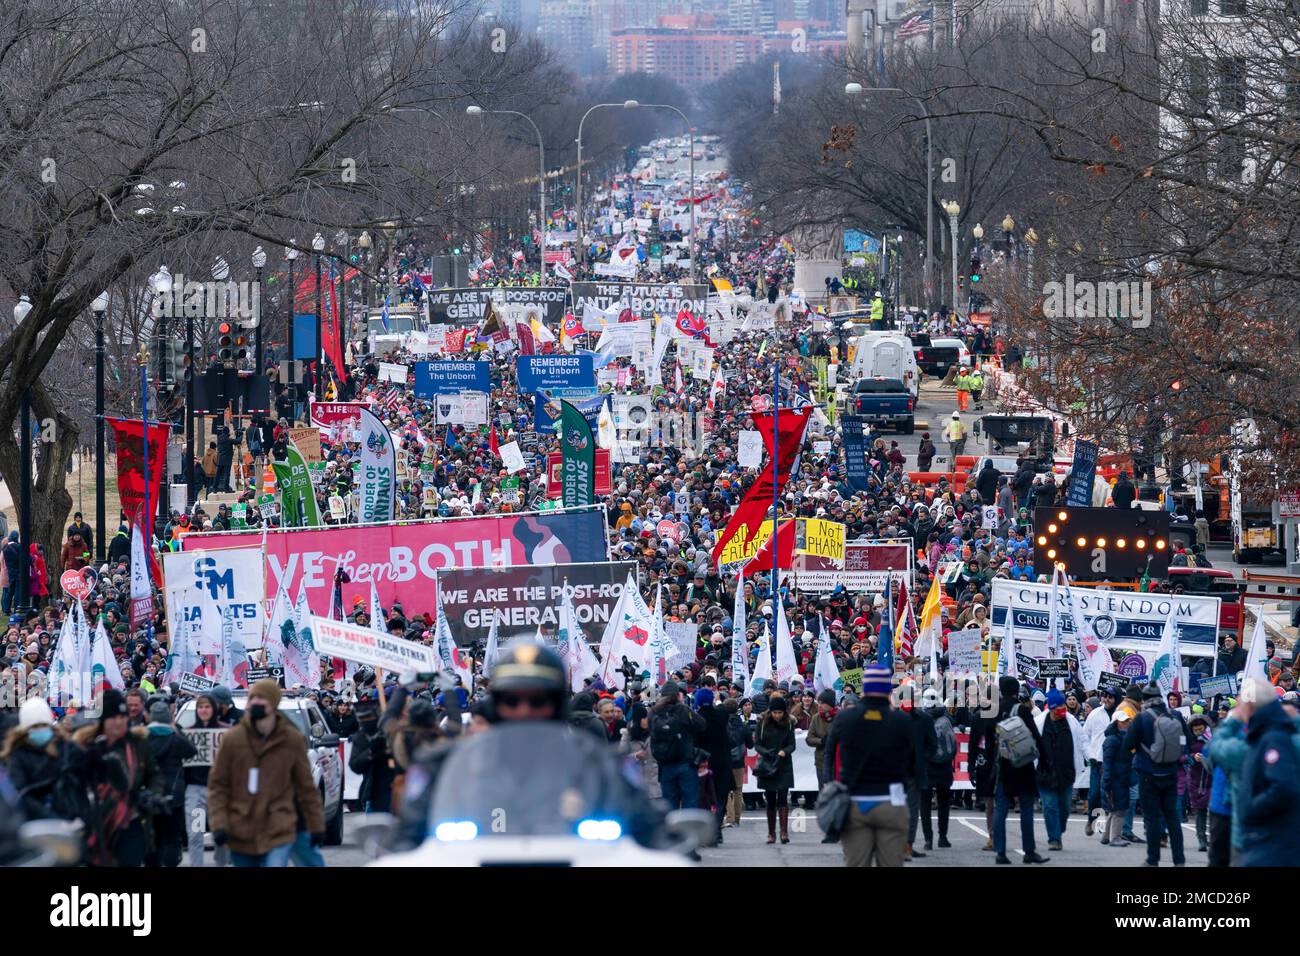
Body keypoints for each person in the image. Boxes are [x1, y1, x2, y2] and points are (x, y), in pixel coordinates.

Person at [207, 679, 325, 867]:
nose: (255, 702)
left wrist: (316, 824)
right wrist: (219, 823)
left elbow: (306, 787)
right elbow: (218, 785)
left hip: (279, 826)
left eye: (261, 698)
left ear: (272, 704)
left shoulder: (291, 739)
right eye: (252, 697)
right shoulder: (232, 739)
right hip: (241, 828)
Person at [823, 665, 914, 867]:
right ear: (888, 691)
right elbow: (914, 762)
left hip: (854, 801)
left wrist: (829, 784)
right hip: (891, 800)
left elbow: (828, 753)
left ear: (863, 689)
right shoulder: (901, 721)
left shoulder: (845, 719)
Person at [74, 689, 166, 867]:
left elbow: (154, 774)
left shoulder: (138, 743)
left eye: (123, 717)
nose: (119, 722)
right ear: (102, 721)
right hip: (95, 821)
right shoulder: (86, 748)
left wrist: (153, 795)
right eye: (113, 718)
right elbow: (74, 783)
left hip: (130, 818)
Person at [1123, 682, 1189, 867]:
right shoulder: (1175, 715)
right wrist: (1176, 755)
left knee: (1151, 819)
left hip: (1148, 774)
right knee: (1173, 819)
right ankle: (1179, 860)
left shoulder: (1141, 718)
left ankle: (1153, 860)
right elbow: (1186, 741)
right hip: (1171, 773)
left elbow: (1128, 745)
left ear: (1144, 699)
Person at [990, 675, 1050, 864]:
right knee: (1026, 808)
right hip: (1023, 764)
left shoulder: (993, 711)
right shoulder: (1023, 710)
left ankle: (1000, 852)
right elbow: (1035, 736)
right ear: (1017, 691)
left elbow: (989, 739)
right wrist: (1045, 760)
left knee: (1000, 809)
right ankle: (1029, 851)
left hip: (1003, 765)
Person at [1236, 690, 1300, 866]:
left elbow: (1283, 786)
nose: (1237, 711)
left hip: (1271, 840)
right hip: (1266, 838)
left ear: (1250, 707)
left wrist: (1252, 807)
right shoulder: (1263, 734)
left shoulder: (1273, 738)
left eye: (1240, 704)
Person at [1, 697, 87, 823]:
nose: (40, 729)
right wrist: (52, 818)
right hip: (38, 823)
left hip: (73, 817)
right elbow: (22, 794)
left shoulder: (66, 748)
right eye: (35, 726)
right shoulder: (18, 755)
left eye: (43, 725)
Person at [143, 700, 197, 867]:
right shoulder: (175, 738)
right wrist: (176, 730)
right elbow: (192, 751)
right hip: (175, 793)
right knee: (172, 837)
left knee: (153, 835)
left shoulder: (143, 738)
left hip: (150, 793)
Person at [1033, 688, 1086, 851]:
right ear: (1051, 708)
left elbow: (1083, 741)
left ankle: (1059, 829)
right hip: (1045, 773)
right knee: (1050, 807)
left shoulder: (1072, 721)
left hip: (1066, 773)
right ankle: (1054, 838)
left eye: (1064, 707)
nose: (1063, 710)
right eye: (1059, 708)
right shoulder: (1039, 722)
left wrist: (1091, 756)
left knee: (1064, 808)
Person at [183, 693, 230, 867]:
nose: (203, 710)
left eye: (207, 706)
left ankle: (221, 863)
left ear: (214, 709)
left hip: (219, 792)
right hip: (195, 791)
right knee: (196, 834)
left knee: (221, 833)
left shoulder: (226, 732)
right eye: (200, 707)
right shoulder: (187, 733)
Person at [649, 680, 705, 814]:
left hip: (664, 765)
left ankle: (671, 833)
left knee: (669, 805)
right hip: (685, 762)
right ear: (677, 695)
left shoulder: (654, 712)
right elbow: (702, 724)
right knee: (690, 803)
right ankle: (688, 832)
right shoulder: (683, 710)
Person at [693, 687, 734, 846]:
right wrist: (716, 699)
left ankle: (708, 832)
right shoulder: (721, 714)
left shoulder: (698, 718)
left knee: (706, 798)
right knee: (720, 798)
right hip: (722, 762)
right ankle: (717, 830)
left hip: (705, 763)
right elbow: (722, 708)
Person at [754, 692, 796, 844]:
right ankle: (771, 833)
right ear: (770, 711)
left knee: (783, 799)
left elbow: (792, 744)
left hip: (783, 764)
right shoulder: (763, 723)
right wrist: (767, 752)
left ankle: (784, 832)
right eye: (775, 712)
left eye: (780, 712)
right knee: (770, 799)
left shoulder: (789, 723)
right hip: (768, 764)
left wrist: (784, 751)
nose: (777, 715)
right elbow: (757, 744)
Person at [921, 688, 956, 850]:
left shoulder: (921, 719)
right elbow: (953, 745)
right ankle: (943, 837)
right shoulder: (947, 720)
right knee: (943, 803)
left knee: (925, 805)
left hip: (927, 767)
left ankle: (928, 839)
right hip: (944, 767)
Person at [349, 692, 394, 813]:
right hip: (374, 792)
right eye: (363, 718)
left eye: (369, 717)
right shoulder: (361, 737)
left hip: (397, 788)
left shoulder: (391, 730)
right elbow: (355, 766)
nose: (367, 721)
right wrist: (371, 751)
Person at [1101, 710, 1135, 847]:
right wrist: (1107, 780)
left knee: (1115, 808)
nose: (1127, 723)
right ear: (1116, 723)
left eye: (1127, 721)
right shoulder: (1112, 740)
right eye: (1124, 721)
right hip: (1116, 779)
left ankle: (1106, 836)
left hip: (1119, 778)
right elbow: (1107, 762)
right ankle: (1114, 838)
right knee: (1119, 809)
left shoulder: (1119, 738)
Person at [1185, 713, 1213, 854]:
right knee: (1200, 810)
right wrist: (1191, 757)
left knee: (1213, 811)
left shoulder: (1213, 738)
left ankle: (1212, 839)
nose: (1198, 730)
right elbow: (1180, 755)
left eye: (1200, 727)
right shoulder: (1186, 739)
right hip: (1195, 779)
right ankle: (1202, 839)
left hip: (1212, 778)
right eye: (1195, 728)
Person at [722, 697, 752, 827]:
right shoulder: (743, 726)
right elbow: (750, 745)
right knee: (738, 790)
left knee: (727, 790)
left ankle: (729, 817)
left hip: (725, 761)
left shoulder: (722, 725)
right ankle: (737, 818)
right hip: (739, 761)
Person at [806, 689, 837, 789]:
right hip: (821, 761)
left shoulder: (841, 716)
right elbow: (809, 739)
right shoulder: (816, 718)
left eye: (823, 703)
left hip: (838, 761)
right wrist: (821, 741)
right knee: (824, 791)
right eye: (818, 702)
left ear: (830, 704)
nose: (819, 705)